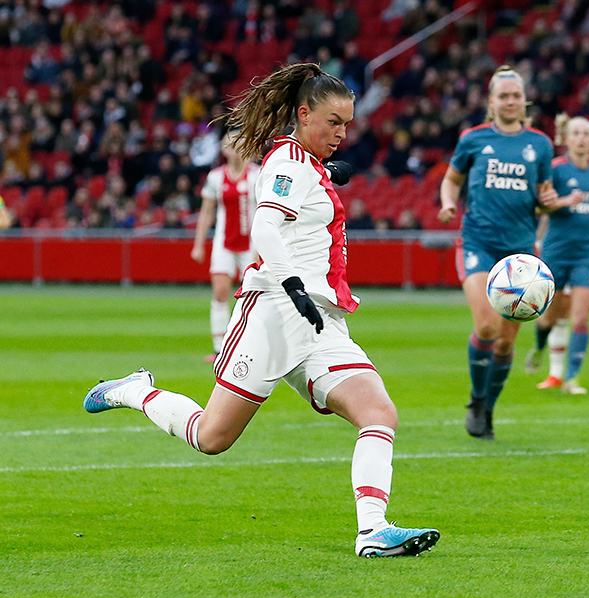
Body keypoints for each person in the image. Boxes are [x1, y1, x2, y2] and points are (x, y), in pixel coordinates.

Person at [83, 63, 439, 557]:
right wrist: (291, 281)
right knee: (212, 437)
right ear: (303, 113)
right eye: (333, 122)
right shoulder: (289, 161)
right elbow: (267, 228)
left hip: (322, 319)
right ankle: (136, 392)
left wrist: (325, 176)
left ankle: (372, 530)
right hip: (275, 309)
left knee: (379, 412)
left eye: (347, 124)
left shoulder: (305, 164)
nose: (342, 133)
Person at [438, 65, 565, 439]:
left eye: (516, 96)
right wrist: (448, 203)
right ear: (491, 101)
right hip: (478, 241)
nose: (510, 101)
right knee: (487, 326)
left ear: (524, 101)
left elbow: (543, 196)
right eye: (503, 96)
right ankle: (477, 400)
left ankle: (490, 406)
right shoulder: (473, 139)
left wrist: (550, 200)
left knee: (508, 339)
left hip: (521, 251)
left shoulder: (540, 144)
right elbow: (452, 179)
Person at [525, 115, 589, 394]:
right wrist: (562, 202)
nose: (581, 138)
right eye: (576, 133)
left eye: (586, 134)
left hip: (587, 252)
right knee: (550, 317)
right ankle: (539, 346)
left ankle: (571, 379)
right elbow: (538, 207)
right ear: (566, 139)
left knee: (580, 317)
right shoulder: (555, 169)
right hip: (556, 251)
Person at [191, 130, 262, 362]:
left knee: (253, 295)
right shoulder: (215, 177)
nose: (234, 149)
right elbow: (207, 212)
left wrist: (262, 246)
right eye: (231, 145)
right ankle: (219, 348)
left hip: (251, 243)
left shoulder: (257, 175)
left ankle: (251, 343)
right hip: (224, 243)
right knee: (221, 292)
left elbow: (265, 211)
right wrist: (199, 244)